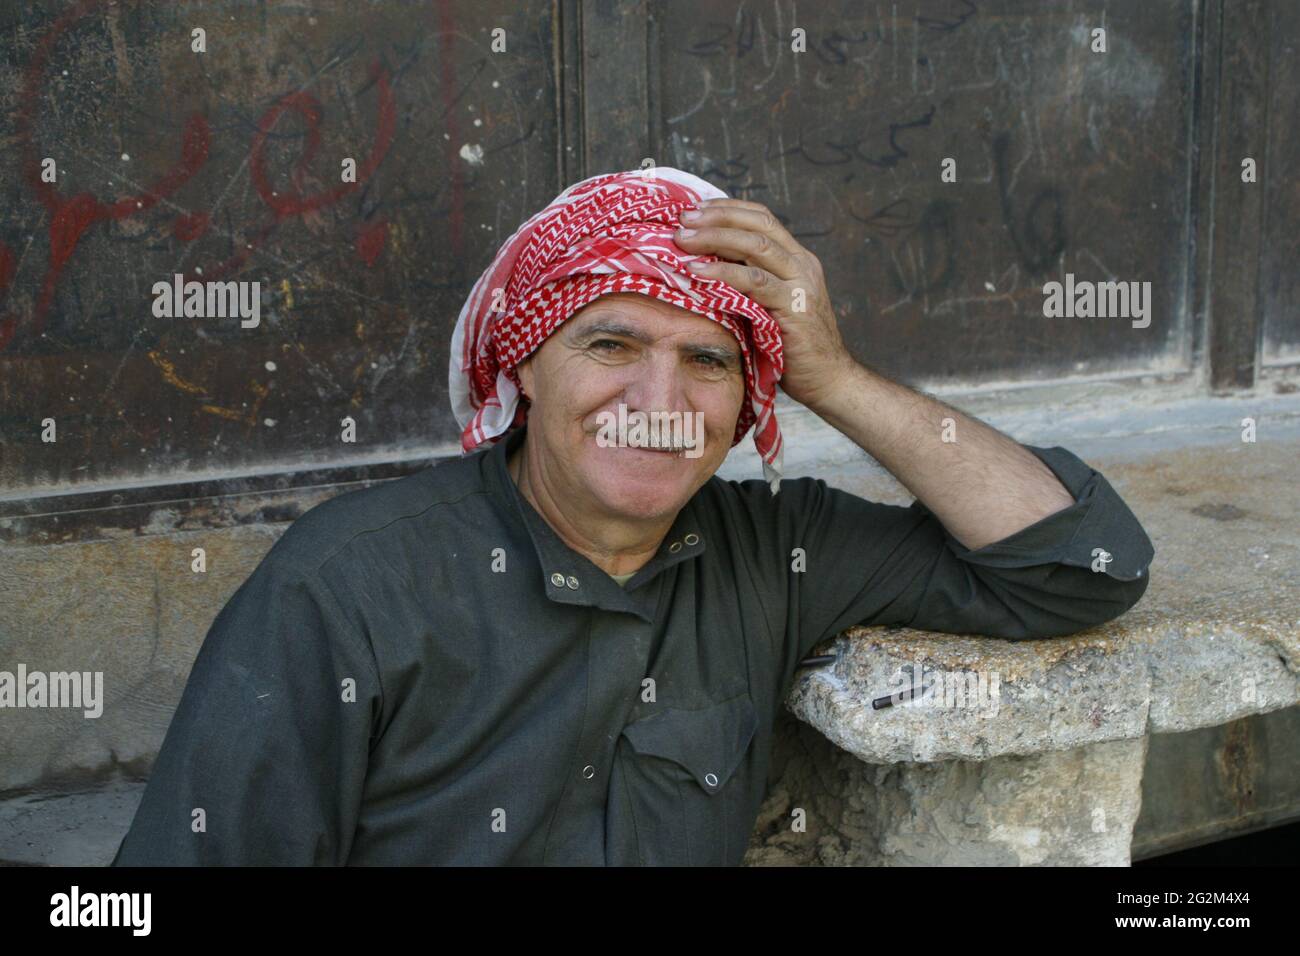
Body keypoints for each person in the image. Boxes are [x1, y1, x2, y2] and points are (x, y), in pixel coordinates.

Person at [111, 167, 1153, 866]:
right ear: (522, 364)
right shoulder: (346, 585)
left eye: (707, 360)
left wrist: (831, 374)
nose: (660, 404)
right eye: (609, 346)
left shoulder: (774, 551)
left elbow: (1080, 562)